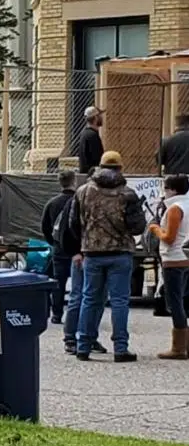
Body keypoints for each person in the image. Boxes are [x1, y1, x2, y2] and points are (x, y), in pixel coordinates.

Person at [72, 151, 145, 362]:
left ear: (100, 166)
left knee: (89, 299)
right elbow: (137, 227)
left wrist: (82, 244)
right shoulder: (128, 194)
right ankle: (120, 348)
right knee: (120, 301)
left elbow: (73, 224)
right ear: (120, 168)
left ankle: (83, 346)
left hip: (92, 252)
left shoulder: (83, 191)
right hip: (120, 253)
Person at [148, 174, 189, 359]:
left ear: (172, 189)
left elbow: (169, 238)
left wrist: (155, 228)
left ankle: (178, 347)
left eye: (165, 188)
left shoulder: (175, 208)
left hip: (174, 259)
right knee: (185, 300)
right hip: (187, 257)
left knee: (175, 302)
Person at [40, 170, 77, 325]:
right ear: (74, 181)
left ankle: (57, 314)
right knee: (79, 285)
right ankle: (76, 315)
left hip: (59, 249)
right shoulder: (78, 201)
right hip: (77, 250)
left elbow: (44, 226)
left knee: (58, 283)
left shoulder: (52, 203)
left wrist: (53, 242)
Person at [78, 106, 104, 176]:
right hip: (92, 175)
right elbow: (97, 158)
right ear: (95, 118)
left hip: (87, 174)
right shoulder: (92, 135)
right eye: (100, 115)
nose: (102, 117)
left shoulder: (85, 133)